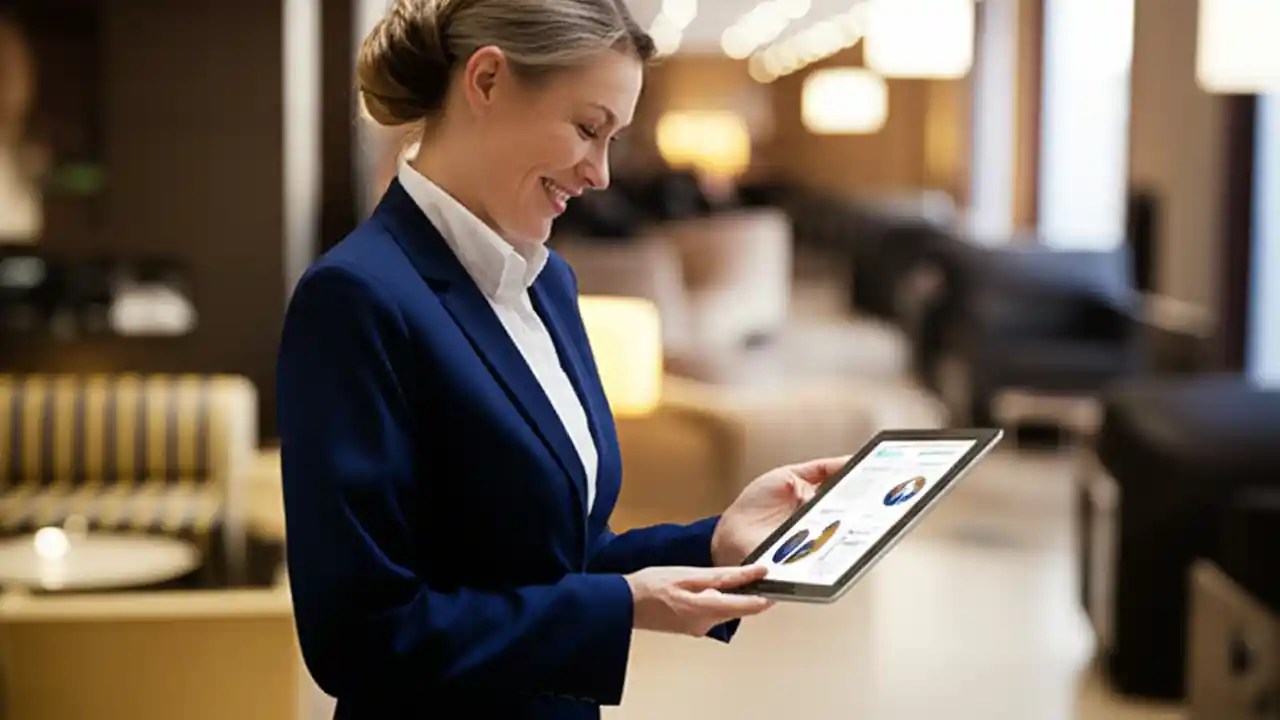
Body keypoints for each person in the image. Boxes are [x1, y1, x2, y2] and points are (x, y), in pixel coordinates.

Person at [275, 1, 847, 717]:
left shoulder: (547, 283)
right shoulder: (357, 298)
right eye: (587, 128)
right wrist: (621, 605)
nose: (602, 174)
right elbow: (358, 636)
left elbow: (552, 555)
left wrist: (715, 541)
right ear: (486, 81)